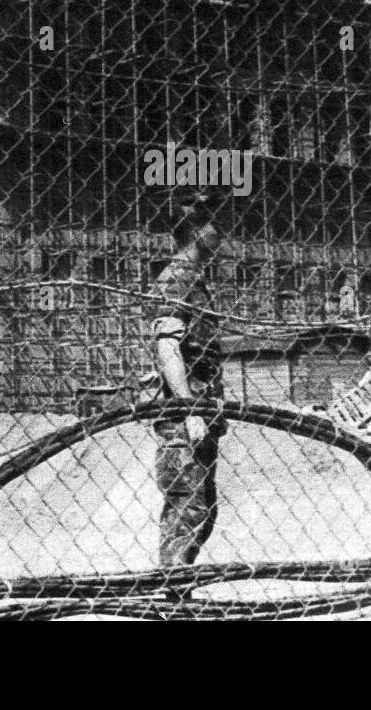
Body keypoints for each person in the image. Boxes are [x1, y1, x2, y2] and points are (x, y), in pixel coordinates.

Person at [146, 192, 225, 568]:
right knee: (187, 513)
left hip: (198, 420)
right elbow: (168, 350)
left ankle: (177, 592)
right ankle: (173, 598)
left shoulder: (193, 279)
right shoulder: (177, 279)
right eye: (212, 230)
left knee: (201, 513)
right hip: (183, 424)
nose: (218, 238)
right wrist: (190, 410)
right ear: (194, 234)